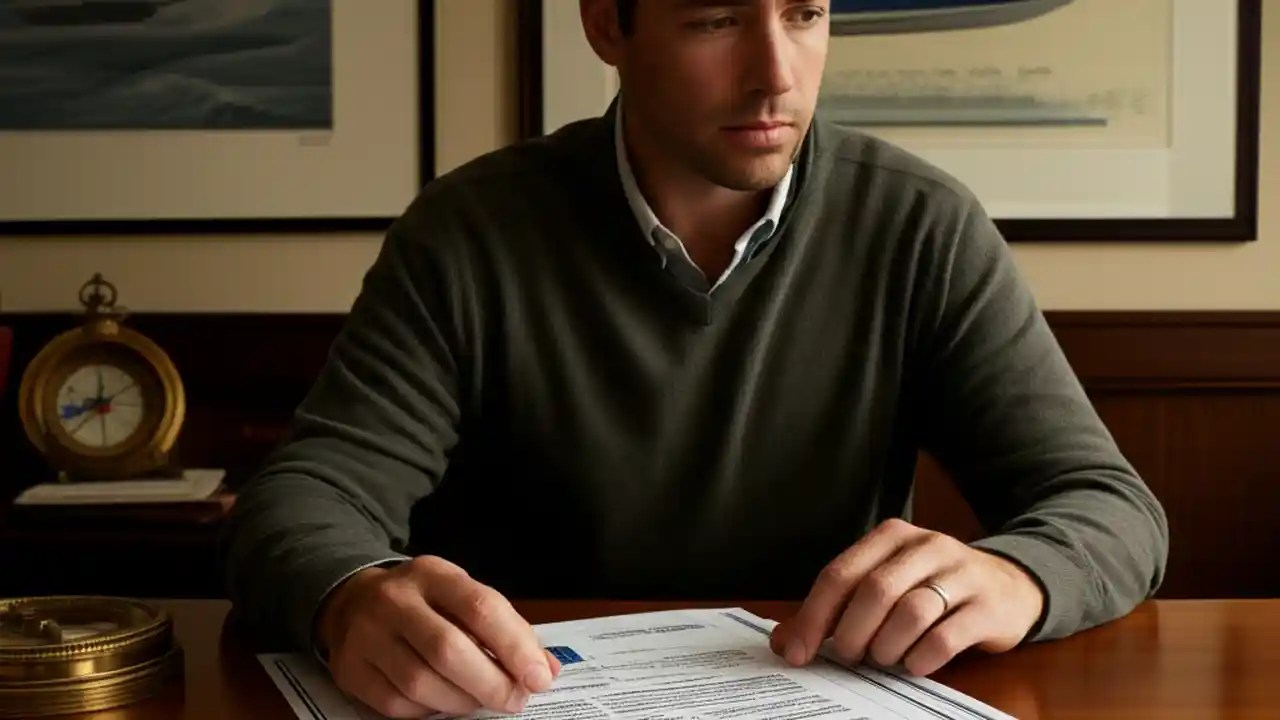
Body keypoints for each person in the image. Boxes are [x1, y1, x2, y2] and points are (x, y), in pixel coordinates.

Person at [220, 0, 1169, 717]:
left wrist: (1019, 577)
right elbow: (309, 495)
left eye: (805, 14)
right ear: (606, 25)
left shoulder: (919, 226)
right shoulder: (471, 234)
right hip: (528, 703)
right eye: (715, 18)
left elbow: (1108, 506)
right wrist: (347, 597)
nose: (776, 76)